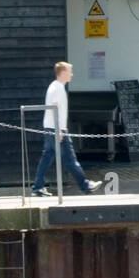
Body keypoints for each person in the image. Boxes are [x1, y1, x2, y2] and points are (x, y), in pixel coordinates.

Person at [31, 61, 102, 196]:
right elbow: (55, 107)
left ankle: (38, 187)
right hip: (56, 128)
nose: (72, 75)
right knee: (69, 158)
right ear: (63, 73)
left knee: (47, 157)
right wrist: (59, 129)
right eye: (70, 72)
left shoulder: (54, 86)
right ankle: (85, 185)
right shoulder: (58, 88)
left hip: (49, 127)